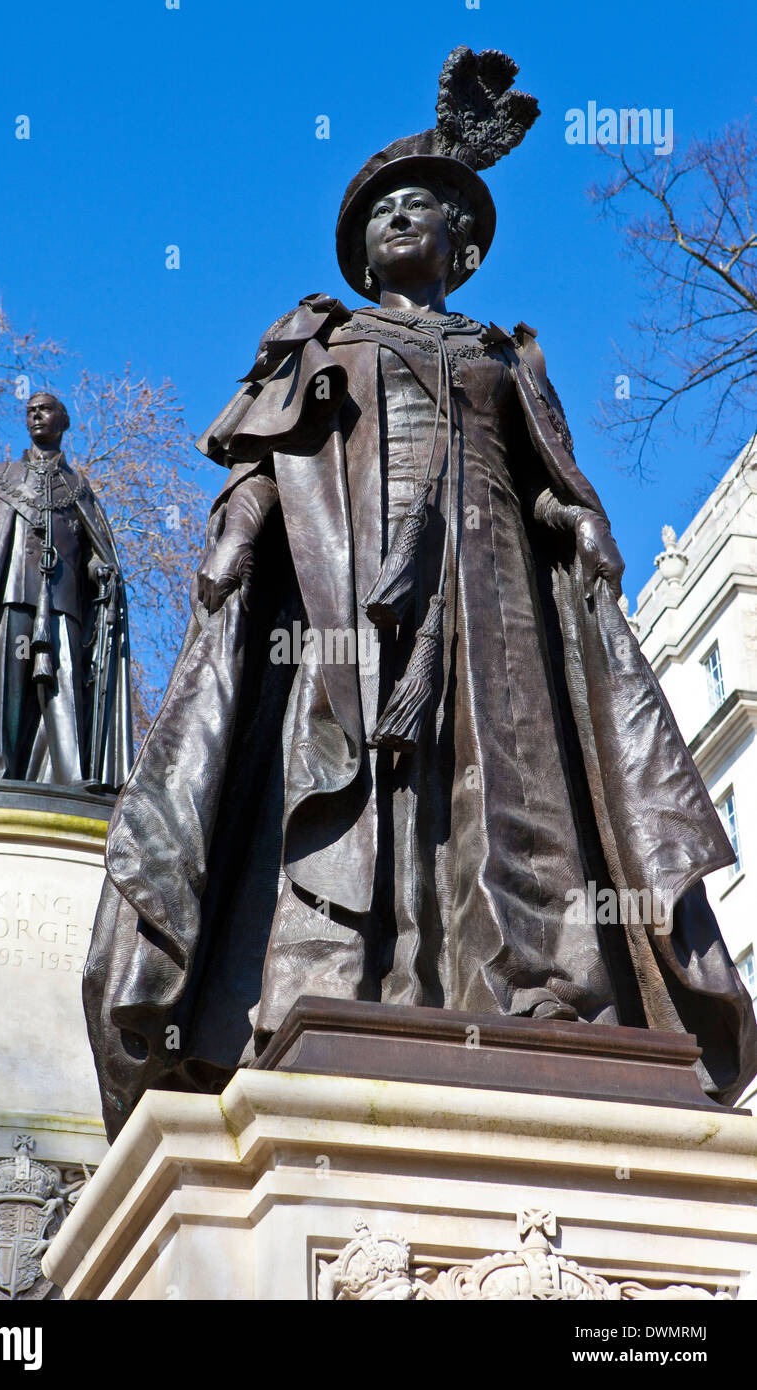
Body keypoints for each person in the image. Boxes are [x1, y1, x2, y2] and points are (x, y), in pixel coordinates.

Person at [84, 48, 756, 1139]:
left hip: (499, 609)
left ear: (465, 245)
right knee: (356, 789)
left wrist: (578, 519)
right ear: (359, 251)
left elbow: (545, 477)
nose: (400, 219)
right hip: (346, 600)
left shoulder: (501, 356)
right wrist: (234, 545)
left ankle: (537, 991)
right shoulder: (326, 339)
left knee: (514, 793)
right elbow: (264, 464)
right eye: (383, 210)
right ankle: (340, 984)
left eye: (423, 208)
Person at [0, 392, 133, 799]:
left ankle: (72, 778)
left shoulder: (80, 489)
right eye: (30, 410)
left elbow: (92, 553)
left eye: (46, 408)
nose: (36, 414)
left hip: (65, 606)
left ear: (64, 421)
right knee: (8, 694)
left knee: (65, 687)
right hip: (11, 598)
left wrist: (100, 570)